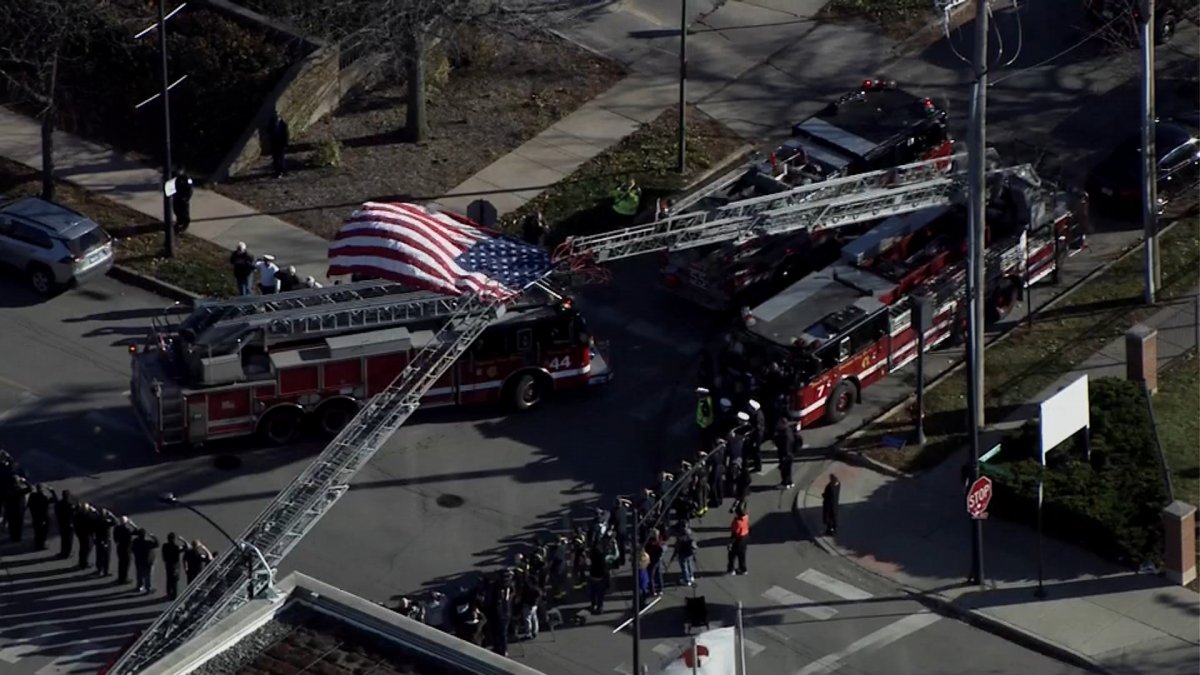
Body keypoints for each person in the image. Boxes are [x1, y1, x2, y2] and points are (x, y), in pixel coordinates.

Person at [131, 528, 160, 594]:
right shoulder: (147, 542)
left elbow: (132, 549)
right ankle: (148, 588)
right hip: (148, 562)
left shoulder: (135, 541)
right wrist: (154, 537)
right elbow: (157, 544)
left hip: (138, 561)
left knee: (139, 574)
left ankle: (139, 586)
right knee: (148, 575)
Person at [51, 488, 75, 559]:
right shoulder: (70, 505)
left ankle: (63, 552)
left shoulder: (60, 504)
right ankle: (67, 553)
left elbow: (56, 502)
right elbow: (73, 514)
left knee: (64, 539)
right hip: (69, 524)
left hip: (61, 523)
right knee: (69, 540)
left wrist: (53, 492)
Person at [726, 506, 750, 576]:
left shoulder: (737, 522)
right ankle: (743, 569)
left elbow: (734, 534)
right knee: (742, 555)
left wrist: (730, 543)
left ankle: (731, 569)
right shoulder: (746, 517)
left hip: (738, 539)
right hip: (744, 538)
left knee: (732, 555)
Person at [5, 476, 30, 542]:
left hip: (10, 510)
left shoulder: (8, 491)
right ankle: (18, 537)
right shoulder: (19, 490)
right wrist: (25, 481)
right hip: (19, 510)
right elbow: (29, 489)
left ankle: (13, 537)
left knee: (12, 524)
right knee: (19, 524)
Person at [774, 417, 796, 489]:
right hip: (790, 454)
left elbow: (785, 447)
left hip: (785, 455)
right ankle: (790, 482)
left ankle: (785, 483)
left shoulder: (785, 435)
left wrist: (784, 458)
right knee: (788, 470)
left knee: (784, 471)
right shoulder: (788, 430)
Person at [114, 515, 136, 585]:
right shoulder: (127, 530)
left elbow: (115, 538)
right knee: (126, 564)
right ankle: (124, 579)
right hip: (127, 549)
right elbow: (137, 531)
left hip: (120, 548)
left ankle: (120, 578)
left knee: (121, 563)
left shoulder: (117, 528)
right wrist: (132, 524)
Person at [27, 483, 51, 550]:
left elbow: (29, 505)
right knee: (43, 533)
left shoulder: (32, 496)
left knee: (37, 532)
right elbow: (55, 500)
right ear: (42, 489)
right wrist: (52, 491)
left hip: (35, 517)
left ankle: (37, 545)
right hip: (44, 517)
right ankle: (41, 545)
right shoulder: (44, 497)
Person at [745, 400, 766, 473]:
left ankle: (758, 466)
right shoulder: (758, 413)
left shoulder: (757, 417)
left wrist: (755, 441)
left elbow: (758, 429)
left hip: (757, 437)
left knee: (756, 451)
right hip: (756, 436)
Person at [162, 532, 184, 599]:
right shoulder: (176, 547)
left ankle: (168, 593)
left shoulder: (165, 546)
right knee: (174, 581)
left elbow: (163, 555)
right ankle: (174, 595)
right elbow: (187, 547)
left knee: (169, 579)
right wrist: (183, 540)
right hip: (175, 566)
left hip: (168, 564)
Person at [94, 509, 115, 577]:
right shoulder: (106, 522)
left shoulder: (96, 521)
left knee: (99, 555)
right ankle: (105, 571)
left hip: (98, 540)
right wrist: (111, 515)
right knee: (106, 557)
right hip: (106, 541)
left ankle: (99, 569)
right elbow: (115, 522)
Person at [74, 503, 95, 569]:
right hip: (87, 535)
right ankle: (84, 564)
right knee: (87, 549)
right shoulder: (88, 516)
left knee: (82, 549)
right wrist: (94, 512)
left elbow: (75, 524)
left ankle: (81, 562)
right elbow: (94, 522)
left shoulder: (77, 515)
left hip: (80, 534)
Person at [645, 528, 665, 597]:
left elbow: (646, 550)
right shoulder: (659, 541)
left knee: (650, 577)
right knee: (658, 574)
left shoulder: (649, 544)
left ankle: (652, 591)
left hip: (651, 561)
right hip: (657, 561)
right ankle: (660, 589)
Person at [695, 387, 715, 455]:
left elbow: (706, 415)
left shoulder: (704, 404)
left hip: (704, 426)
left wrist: (703, 424)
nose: (697, 395)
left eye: (698, 394)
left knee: (705, 441)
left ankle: (706, 452)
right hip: (706, 425)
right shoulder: (706, 399)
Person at [269, 113, 290, 178]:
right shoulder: (272, 124)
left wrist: (285, 143)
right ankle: (279, 171)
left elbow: (286, 135)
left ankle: (282, 171)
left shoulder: (283, 125)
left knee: (281, 158)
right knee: (276, 158)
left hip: (280, 144)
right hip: (275, 143)